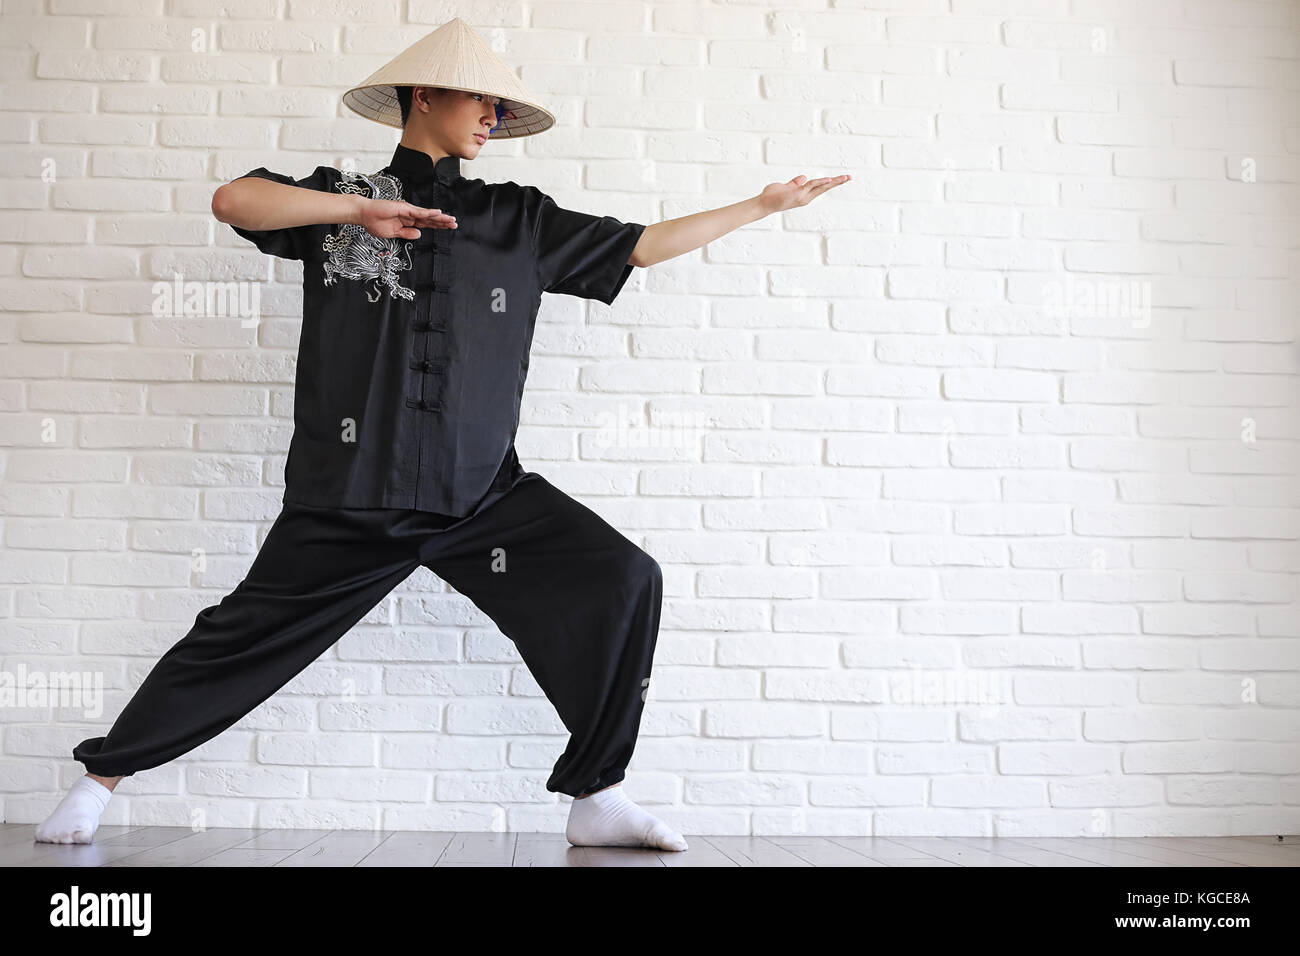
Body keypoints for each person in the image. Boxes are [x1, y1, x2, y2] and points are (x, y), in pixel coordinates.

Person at [35, 17, 850, 851]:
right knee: (235, 642)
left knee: (623, 579)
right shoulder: (337, 201)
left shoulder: (518, 219)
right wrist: (361, 207)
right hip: (349, 498)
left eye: (502, 106)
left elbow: (638, 248)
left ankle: (596, 793)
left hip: (482, 497)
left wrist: (759, 206)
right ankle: (100, 782)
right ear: (424, 95)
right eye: (480, 99)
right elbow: (234, 199)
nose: (492, 116)